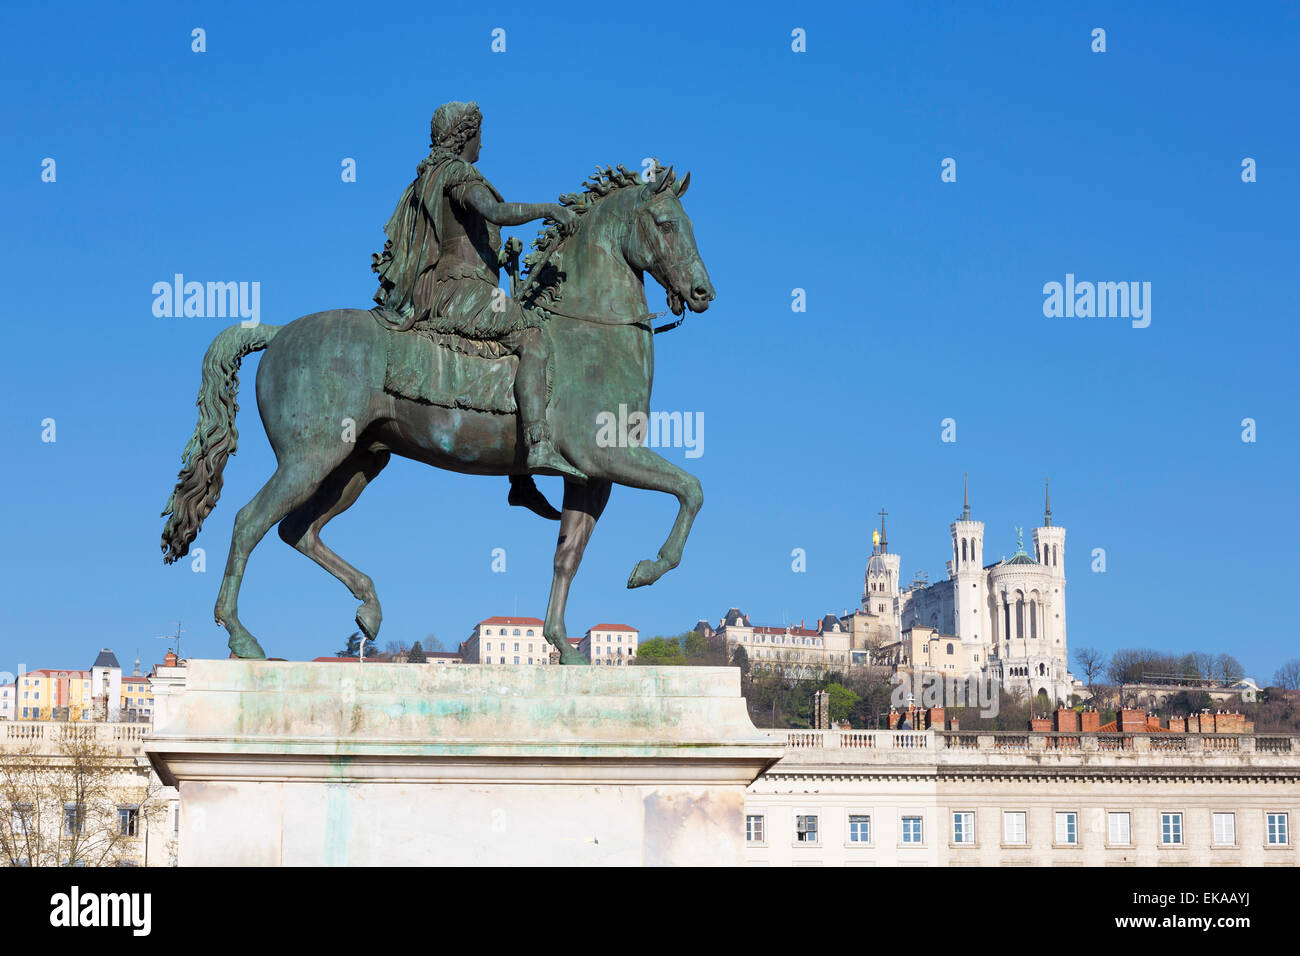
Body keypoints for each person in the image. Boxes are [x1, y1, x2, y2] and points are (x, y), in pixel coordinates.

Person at [371, 100, 583, 517]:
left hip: (462, 285)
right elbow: (496, 211)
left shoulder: (430, 176)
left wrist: (503, 263)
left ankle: (520, 479)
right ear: (466, 135)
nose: (483, 144)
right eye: (480, 134)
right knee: (535, 336)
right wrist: (550, 210)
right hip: (458, 289)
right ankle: (537, 444)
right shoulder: (455, 173)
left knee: (513, 342)